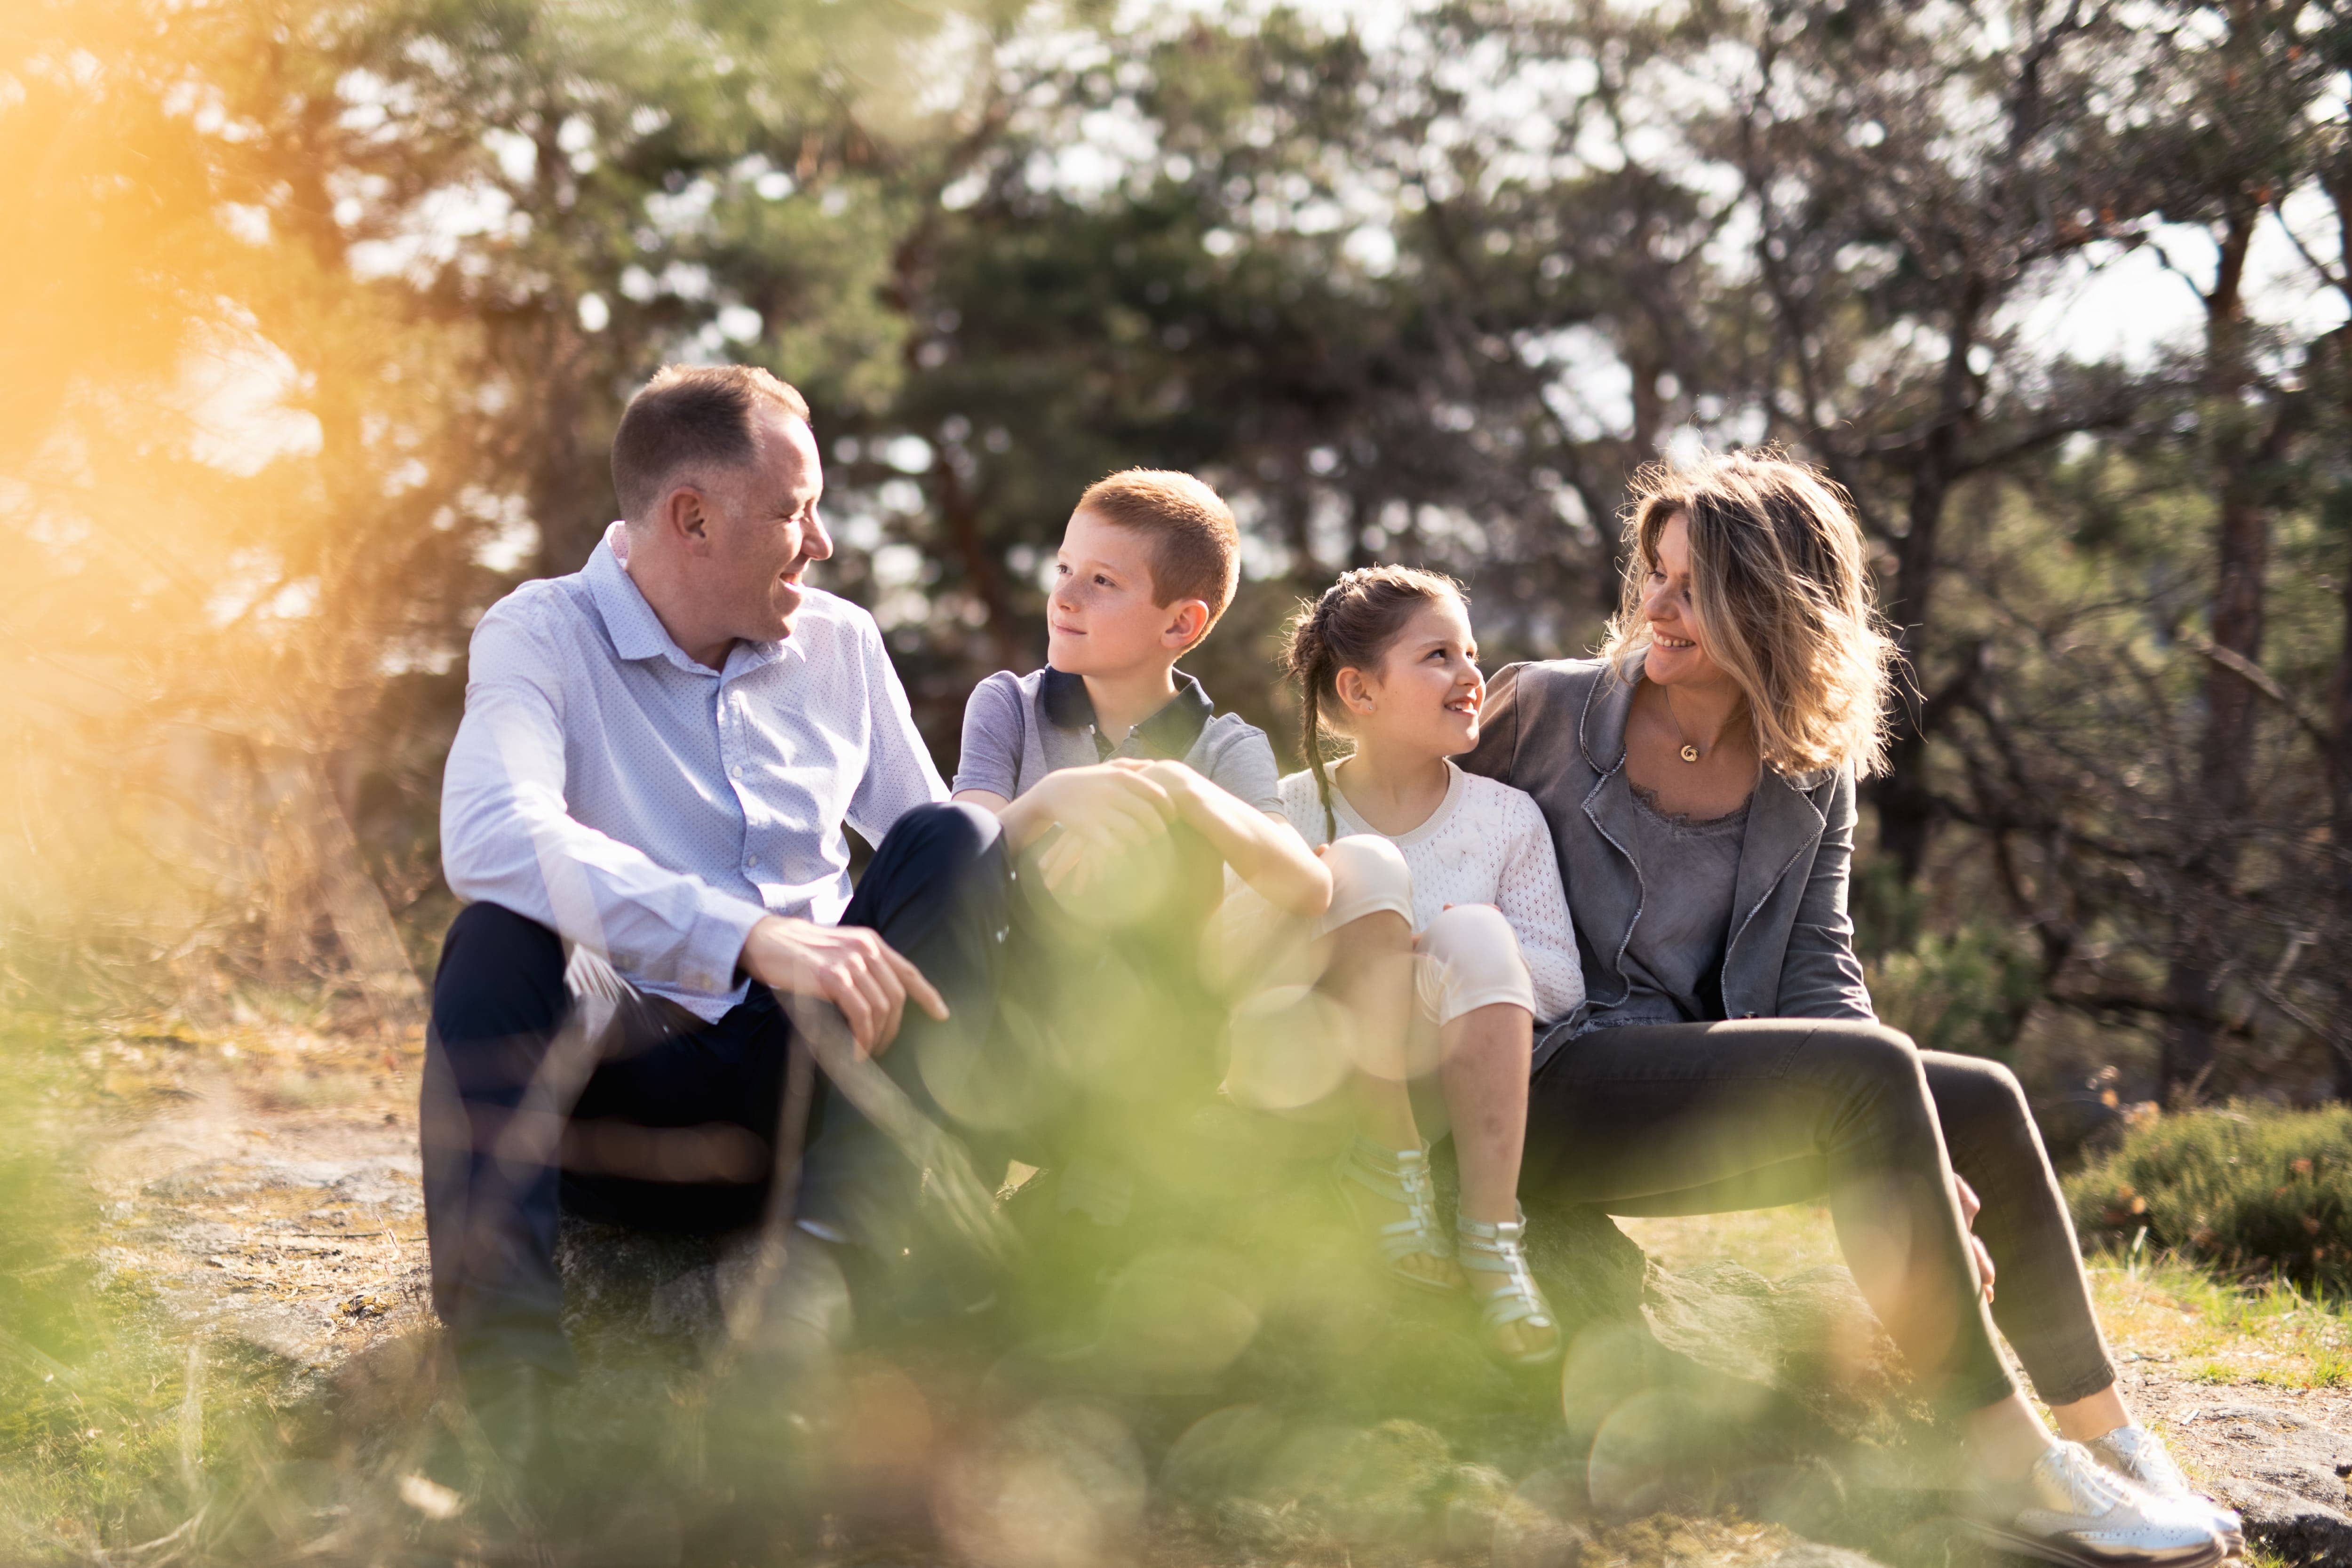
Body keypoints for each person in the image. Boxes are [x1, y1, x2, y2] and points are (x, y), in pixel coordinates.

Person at [1462, 449, 2240, 1566]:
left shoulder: (1803, 767)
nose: (1656, 606)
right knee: (1871, 1075)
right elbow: (1406, 817)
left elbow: (1820, 973)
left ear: (1770, 601)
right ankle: (2007, 1466)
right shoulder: (1544, 709)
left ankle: (2106, 1435)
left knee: (1971, 1093)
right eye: (1654, 574)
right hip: (1538, 1087)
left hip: (1687, 1093)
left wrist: (1921, 1153)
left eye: (1691, 584)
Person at [426, 365, 1007, 1452]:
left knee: (959, 839)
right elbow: (493, 834)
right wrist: (748, 936)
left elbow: (946, 869)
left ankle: (822, 1291)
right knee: (497, 934)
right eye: (795, 511)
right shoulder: (540, 633)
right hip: (627, 1098)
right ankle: (513, 1397)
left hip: (809, 1092)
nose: (822, 542)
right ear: (691, 518)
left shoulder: (843, 644)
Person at [951, 469, 1330, 1234]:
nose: (1064, 596)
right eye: (1063, 569)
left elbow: (1306, 887)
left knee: (1170, 843)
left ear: (1180, 624)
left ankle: (1105, 1175)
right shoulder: (1008, 705)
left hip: (1153, 1048)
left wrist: (1179, 794)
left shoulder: (1227, 744)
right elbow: (959, 853)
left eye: (1102, 581)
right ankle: (957, 1185)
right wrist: (1061, 801)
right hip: (1009, 1025)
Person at [1259, 565, 1585, 1366]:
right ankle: (1380, 1164)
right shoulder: (1286, 809)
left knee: (1476, 932)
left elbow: (1562, 981)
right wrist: (1360, 942)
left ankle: (1489, 1233)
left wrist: (1438, 949)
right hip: (1325, 1073)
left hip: (1452, 1072)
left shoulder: (1507, 819)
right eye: (1438, 655)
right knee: (1363, 874)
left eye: (1470, 652)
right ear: (1360, 693)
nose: (1472, 675)